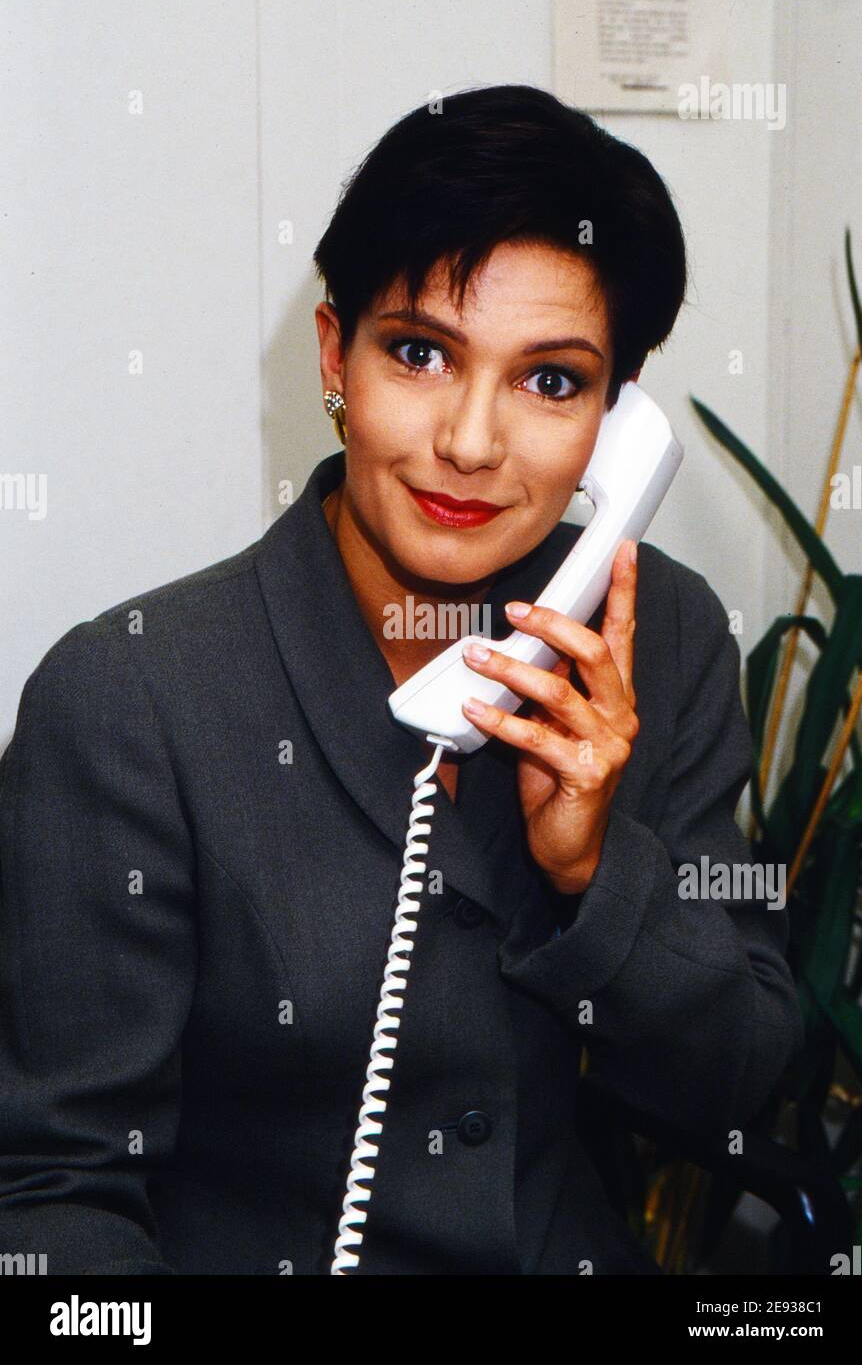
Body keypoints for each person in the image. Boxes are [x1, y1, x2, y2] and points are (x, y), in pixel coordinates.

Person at [0, 84, 803, 1275]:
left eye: (550, 381)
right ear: (335, 356)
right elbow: (53, 1194)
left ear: (617, 424)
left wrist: (597, 877)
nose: (471, 444)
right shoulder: (127, 700)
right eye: (420, 354)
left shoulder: (660, 634)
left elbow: (744, 1091)